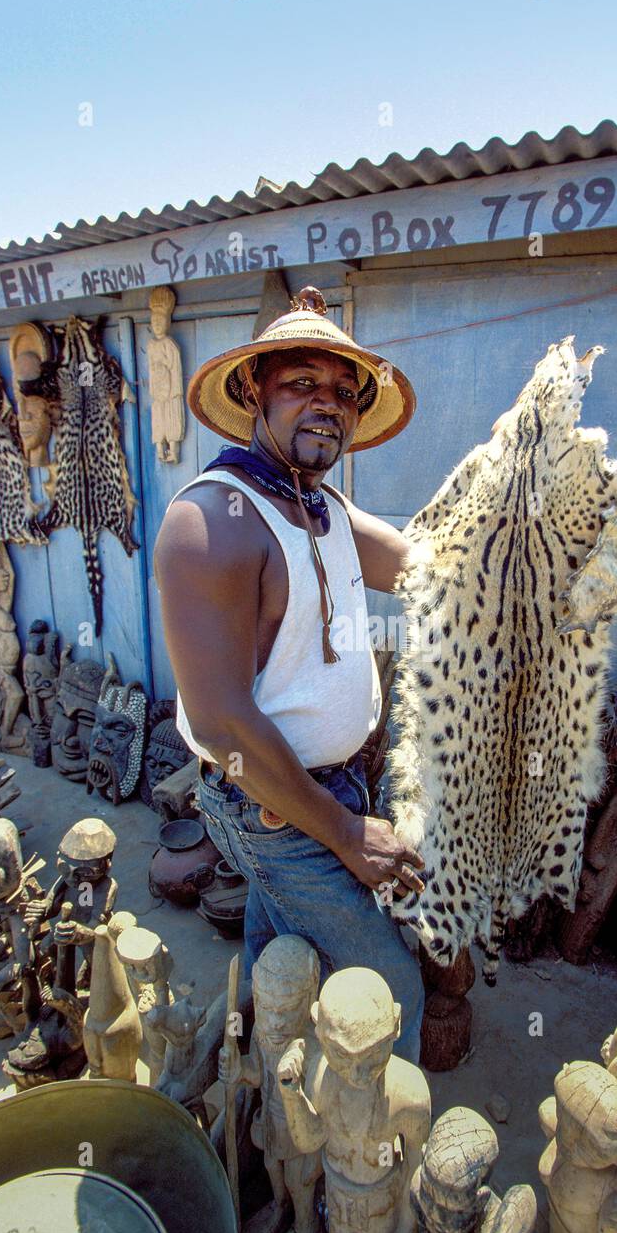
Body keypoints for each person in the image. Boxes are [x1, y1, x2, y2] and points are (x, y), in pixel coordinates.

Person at [153, 286, 425, 1061]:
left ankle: (235, 1091)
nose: (327, 404)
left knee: (281, 964)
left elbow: (419, 566)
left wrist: (541, 550)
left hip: (330, 787)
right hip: (273, 804)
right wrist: (345, 833)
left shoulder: (322, 507)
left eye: (343, 392)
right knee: (388, 995)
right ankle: (355, 1173)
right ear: (253, 391)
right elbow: (221, 725)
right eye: (301, 383)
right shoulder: (209, 522)